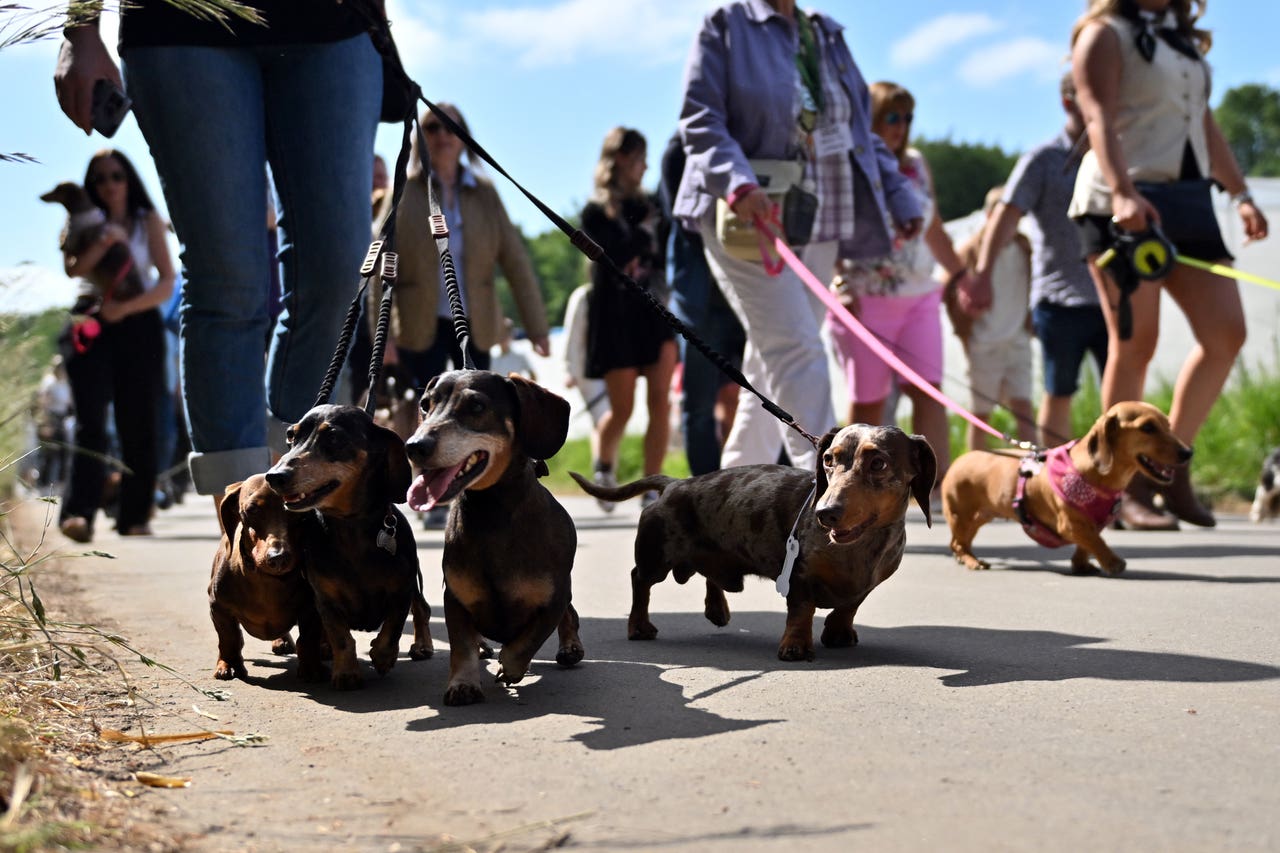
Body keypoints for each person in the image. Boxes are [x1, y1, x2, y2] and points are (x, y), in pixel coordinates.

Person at [55, 1, 382, 503]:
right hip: (180, 25)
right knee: (227, 280)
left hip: (333, 26)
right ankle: (248, 523)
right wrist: (81, 28)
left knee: (339, 274)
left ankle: (296, 466)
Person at [674, 0, 923, 473]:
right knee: (796, 349)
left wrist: (899, 195)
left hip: (820, 217)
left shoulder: (825, 35)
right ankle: (832, 486)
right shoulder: (726, 25)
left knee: (776, 358)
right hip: (745, 216)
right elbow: (700, 118)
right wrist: (737, 181)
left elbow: (860, 134)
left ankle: (731, 498)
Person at [1069, 0, 1268, 528]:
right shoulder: (1102, 34)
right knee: (1137, 342)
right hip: (1121, 199)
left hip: (1187, 198)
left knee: (1226, 333)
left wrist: (1241, 193)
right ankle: (1113, 485)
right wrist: (1123, 192)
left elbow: (1203, 122)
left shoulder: (1176, 35)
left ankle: (1167, 468)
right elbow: (1097, 118)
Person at [826, 81, 967, 493]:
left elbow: (933, 227)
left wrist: (963, 277)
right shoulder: (849, 163)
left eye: (907, 117)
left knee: (929, 393)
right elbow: (830, 230)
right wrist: (839, 282)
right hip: (865, 298)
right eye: (892, 116)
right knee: (869, 402)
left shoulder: (918, 164)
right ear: (868, 119)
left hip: (919, 295)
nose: (901, 126)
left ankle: (935, 491)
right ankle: (852, 490)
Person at [959, 71, 1109, 454]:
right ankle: (1058, 481)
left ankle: (1121, 486)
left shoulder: (1118, 157)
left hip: (1114, 297)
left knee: (1120, 393)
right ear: (1068, 101)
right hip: (1060, 300)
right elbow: (1006, 215)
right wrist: (982, 275)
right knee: (1058, 392)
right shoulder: (1043, 160)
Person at [374, 102, 550, 388]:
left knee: (475, 404)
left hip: (475, 320)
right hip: (417, 323)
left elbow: (516, 262)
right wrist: (383, 339)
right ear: (421, 136)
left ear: (464, 137)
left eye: (452, 127)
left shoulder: (485, 194)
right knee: (424, 407)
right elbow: (381, 266)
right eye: (433, 127)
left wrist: (537, 327)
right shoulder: (404, 191)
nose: (443, 134)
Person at [55, 149, 175, 542]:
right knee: (90, 420)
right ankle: (79, 514)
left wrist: (125, 309)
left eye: (116, 176)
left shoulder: (147, 220)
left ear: (129, 180)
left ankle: (134, 513)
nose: (109, 185)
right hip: (89, 319)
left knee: (138, 418)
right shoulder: (84, 220)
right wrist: (105, 243)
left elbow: (165, 281)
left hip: (136, 320)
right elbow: (74, 267)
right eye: (101, 178)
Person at [581, 127, 678, 505]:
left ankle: (653, 487)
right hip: (616, 317)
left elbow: (665, 249)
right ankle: (605, 465)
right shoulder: (595, 211)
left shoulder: (654, 204)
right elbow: (612, 255)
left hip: (654, 313)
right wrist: (639, 237)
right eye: (638, 157)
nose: (644, 165)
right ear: (619, 157)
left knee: (661, 401)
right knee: (622, 408)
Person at [659, 132, 746, 477]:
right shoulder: (678, 150)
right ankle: (705, 488)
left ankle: (773, 481)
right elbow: (684, 217)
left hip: (742, 295)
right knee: (698, 405)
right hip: (698, 301)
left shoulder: (740, 140)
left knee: (757, 396)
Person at [954, 186, 1035, 451]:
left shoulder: (1024, 248)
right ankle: (973, 466)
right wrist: (966, 330)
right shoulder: (971, 251)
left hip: (1017, 340)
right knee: (981, 414)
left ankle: (1034, 465)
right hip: (984, 344)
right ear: (989, 215)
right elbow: (952, 291)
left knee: (1023, 407)